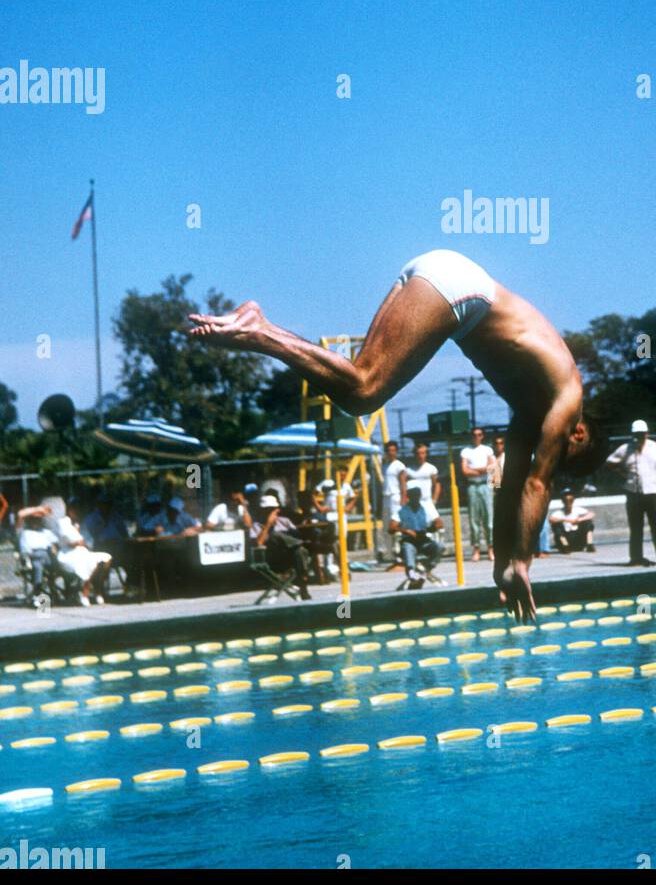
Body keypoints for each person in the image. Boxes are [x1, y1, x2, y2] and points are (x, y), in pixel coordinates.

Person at [188, 248, 601, 620]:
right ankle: (259, 330)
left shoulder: (533, 410)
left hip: (441, 274)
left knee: (357, 381)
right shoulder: (567, 399)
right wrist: (524, 563)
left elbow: (511, 488)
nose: (553, 448)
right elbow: (537, 484)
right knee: (364, 391)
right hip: (460, 291)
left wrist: (502, 566)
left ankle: (256, 325)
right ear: (579, 434)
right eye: (564, 450)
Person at [606, 420, 656, 566]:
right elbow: (609, 463)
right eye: (636, 435)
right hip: (634, 493)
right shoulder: (625, 449)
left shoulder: (655, 447)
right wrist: (622, 473)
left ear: (647, 434)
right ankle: (635, 557)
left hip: (653, 492)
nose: (639, 437)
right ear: (632, 434)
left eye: (642, 434)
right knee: (635, 527)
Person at [252, 493, 311, 600]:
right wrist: (268, 525)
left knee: (300, 550)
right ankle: (305, 546)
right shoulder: (256, 525)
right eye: (267, 510)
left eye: (271, 510)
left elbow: (296, 535)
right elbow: (258, 544)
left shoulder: (285, 521)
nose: (269, 512)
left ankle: (303, 585)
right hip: (273, 558)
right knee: (276, 535)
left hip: (290, 556)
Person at [56, 504, 113, 606]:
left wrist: (81, 542)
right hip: (68, 554)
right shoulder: (63, 522)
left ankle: (97, 590)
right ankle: (85, 593)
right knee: (87, 562)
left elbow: (87, 541)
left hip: (83, 551)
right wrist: (79, 541)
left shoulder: (83, 523)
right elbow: (68, 541)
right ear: (70, 511)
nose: (78, 512)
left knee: (106, 558)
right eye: (76, 510)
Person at [391, 486, 443, 589]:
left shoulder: (426, 508)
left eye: (417, 496)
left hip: (423, 540)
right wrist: (406, 531)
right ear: (409, 497)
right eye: (413, 496)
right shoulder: (402, 510)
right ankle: (412, 573)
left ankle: (425, 569)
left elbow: (439, 523)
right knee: (408, 548)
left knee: (439, 547)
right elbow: (391, 527)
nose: (415, 498)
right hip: (409, 541)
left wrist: (428, 529)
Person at [461, 426, 495, 562]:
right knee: (474, 520)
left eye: (479, 434)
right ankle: (476, 550)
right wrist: (482, 470)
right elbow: (464, 471)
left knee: (489, 521)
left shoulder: (488, 450)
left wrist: (476, 470)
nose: (477, 437)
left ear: (483, 436)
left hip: (486, 486)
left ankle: (491, 549)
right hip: (472, 487)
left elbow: (493, 468)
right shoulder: (466, 451)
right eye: (474, 434)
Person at [16, 505, 59, 607]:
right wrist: (38, 509)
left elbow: (56, 543)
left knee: (61, 564)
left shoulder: (45, 532)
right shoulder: (24, 533)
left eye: (39, 520)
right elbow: (20, 514)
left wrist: (54, 548)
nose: (37, 522)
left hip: (48, 556)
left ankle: (68, 592)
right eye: (34, 520)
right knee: (37, 566)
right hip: (32, 556)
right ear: (30, 521)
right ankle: (37, 595)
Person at [549, 488, 596, 553]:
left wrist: (579, 520)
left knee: (588, 522)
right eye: (566, 500)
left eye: (570, 500)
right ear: (563, 501)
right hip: (566, 538)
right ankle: (565, 546)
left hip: (578, 540)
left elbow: (591, 514)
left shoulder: (577, 509)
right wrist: (567, 520)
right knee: (556, 525)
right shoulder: (558, 513)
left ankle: (589, 544)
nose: (568, 502)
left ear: (573, 500)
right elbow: (551, 519)